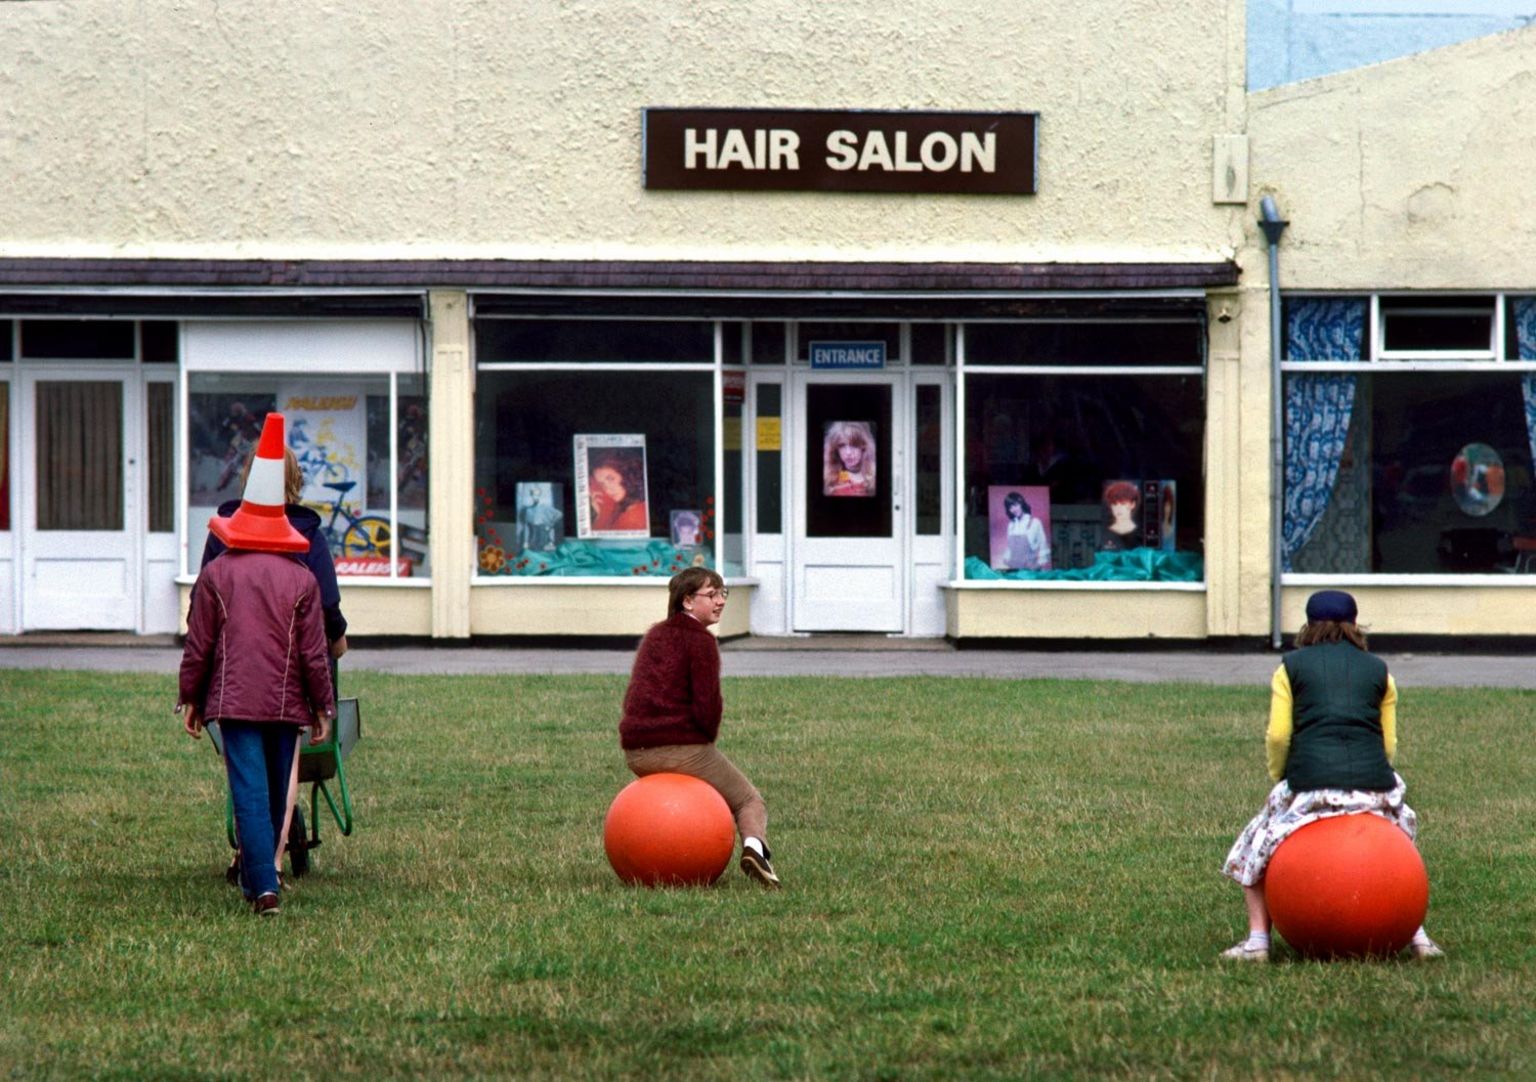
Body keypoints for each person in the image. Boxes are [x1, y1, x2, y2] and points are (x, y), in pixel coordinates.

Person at [1220, 590, 1443, 961]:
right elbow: (1388, 743)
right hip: (1375, 786)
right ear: (1355, 625)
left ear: (1308, 626)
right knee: (1401, 842)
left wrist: (1281, 777)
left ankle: (1258, 941)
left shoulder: (1289, 667)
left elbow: (1278, 736)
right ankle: (1416, 933)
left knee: (1256, 844)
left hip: (1312, 783)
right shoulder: (1380, 671)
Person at [178, 413, 335, 917]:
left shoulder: (217, 574)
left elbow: (199, 643)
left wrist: (191, 697)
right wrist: (323, 707)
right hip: (288, 703)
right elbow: (315, 652)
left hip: (235, 698)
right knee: (271, 790)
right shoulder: (302, 581)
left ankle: (261, 886)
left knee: (248, 788)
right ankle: (263, 876)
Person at [619, 567, 780, 888]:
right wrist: (703, 741)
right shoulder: (700, 641)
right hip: (681, 751)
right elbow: (707, 705)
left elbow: (634, 694)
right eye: (712, 594)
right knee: (749, 800)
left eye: (723, 594)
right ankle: (755, 850)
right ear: (688, 601)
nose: (721, 601)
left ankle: (664, 851)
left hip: (636, 753)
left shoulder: (656, 634)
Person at [589, 453, 649, 532]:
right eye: (602, 484)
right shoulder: (624, 505)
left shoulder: (633, 517)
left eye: (610, 479)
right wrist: (597, 514)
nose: (607, 489)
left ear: (626, 474)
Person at [823, 420, 876, 497]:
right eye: (842, 445)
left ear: (864, 447)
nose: (848, 453)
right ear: (835, 449)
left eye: (854, 445)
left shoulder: (874, 478)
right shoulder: (827, 478)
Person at [1002, 491, 1050, 570]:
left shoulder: (1035, 523)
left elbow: (1043, 546)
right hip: (1014, 570)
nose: (1013, 509)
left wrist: (1038, 565)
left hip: (1030, 572)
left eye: (1015, 505)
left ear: (1021, 504)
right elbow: (1009, 548)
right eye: (1010, 507)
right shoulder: (1011, 525)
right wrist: (1006, 559)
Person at [1101, 480, 1140, 550]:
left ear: (1132, 504)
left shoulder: (1141, 534)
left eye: (1123, 504)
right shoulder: (1105, 535)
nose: (1118, 509)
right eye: (1114, 504)